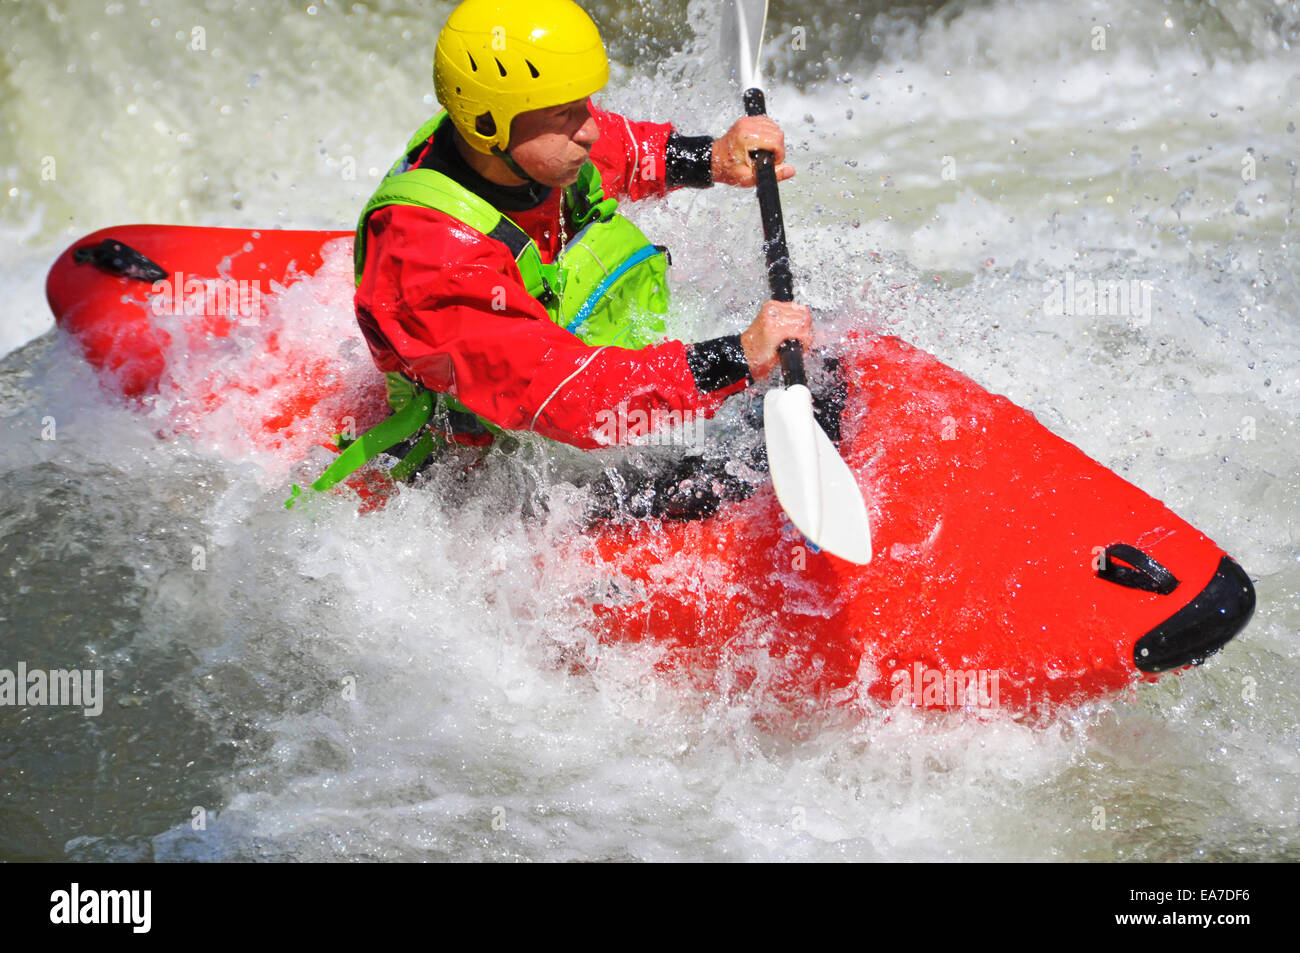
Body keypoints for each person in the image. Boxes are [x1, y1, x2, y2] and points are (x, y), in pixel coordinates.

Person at [338, 0, 831, 520]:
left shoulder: (520, 144)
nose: (589, 129)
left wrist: (712, 156)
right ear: (488, 125)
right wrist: (735, 357)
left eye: (584, 105)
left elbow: (618, 148)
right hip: (473, 475)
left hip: (545, 380)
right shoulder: (434, 262)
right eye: (564, 113)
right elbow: (574, 403)